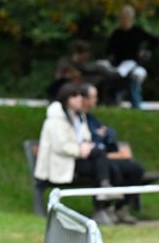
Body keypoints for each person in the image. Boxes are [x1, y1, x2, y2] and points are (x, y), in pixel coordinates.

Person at [33, 81, 121, 225]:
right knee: (102, 162)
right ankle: (103, 196)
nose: (79, 99)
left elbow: (85, 136)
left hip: (76, 160)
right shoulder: (56, 119)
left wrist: (86, 145)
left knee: (107, 165)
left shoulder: (79, 117)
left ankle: (103, 205)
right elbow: (60, 146)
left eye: (80, 95)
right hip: (62, 163)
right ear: (65, 99)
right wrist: (80, 150)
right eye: (74, 96)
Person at [79, 83, 146, 223]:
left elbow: (109, 135)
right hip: (89, 161)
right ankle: (101, 209)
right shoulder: (77, 119)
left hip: (103, 157)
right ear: (84, 99)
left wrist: (104, 134)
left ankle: (120, 208)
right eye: (94, 97)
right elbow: (90, 140)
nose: (96, 100)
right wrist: (99, 136)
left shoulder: (91, 118)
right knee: (111, 168)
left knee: (136, 169)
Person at [105, 5, 156, 108]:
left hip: (133, 65)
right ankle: (115, 104)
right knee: (116, 82)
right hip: (118, 66)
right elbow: (108, 49)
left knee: (134, 83)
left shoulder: (137, 32)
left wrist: (145, 51)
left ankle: (136, 105)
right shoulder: (117, 33)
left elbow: (154, 41)